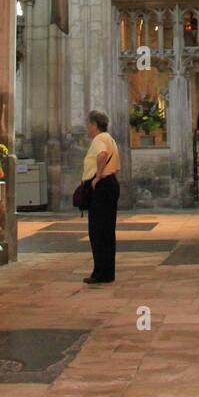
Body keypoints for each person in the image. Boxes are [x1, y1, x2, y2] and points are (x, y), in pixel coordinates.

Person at [82, 109, 120, 286]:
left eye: (88, 124)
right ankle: (106, 271)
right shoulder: (109, 138)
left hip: (103, 186)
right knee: (107, 231)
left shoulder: (99, 139)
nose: (87, 128)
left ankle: (100, 273)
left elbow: (102, 155)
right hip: (111, 184)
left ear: (95, 125)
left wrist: (97, 176)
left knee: (97, 231)